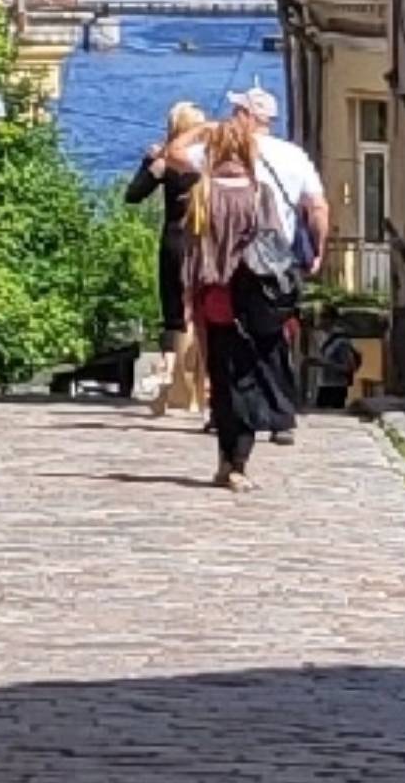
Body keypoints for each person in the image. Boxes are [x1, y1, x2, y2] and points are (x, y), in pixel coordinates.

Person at [190, 88, 331, 490]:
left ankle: (225, 458)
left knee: (224, 376)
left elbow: (192, 253)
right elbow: (274, 240)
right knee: (253, 372)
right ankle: (241, 460)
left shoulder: (203, 194)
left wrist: (191, 296)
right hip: (258, 298)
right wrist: (311, 256)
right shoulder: (262, 193)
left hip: (217, 298)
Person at [116, 103, 213, 419]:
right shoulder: (209, 160)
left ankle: (174, 387)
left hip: (174, 241)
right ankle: (200, 385)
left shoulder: (166, 160)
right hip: (206, 243)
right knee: (202, 313)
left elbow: (133, 194)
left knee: (175, 315)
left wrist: (151, 164)